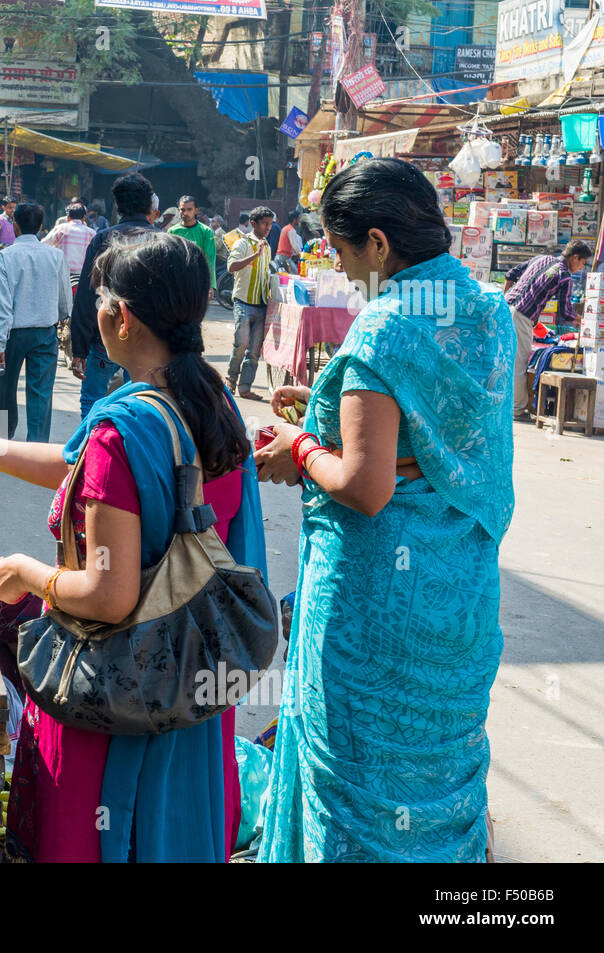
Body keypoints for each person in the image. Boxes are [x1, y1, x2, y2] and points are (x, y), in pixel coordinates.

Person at [0, 232, 267, 861]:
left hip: (120, 704)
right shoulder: (207, 401)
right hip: (190, 691)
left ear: (120, 316)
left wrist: (24, 573)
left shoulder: (125, 430)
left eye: (95, 298)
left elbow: (107, 595)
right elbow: (82, 472)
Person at [253, 157, 514, 862]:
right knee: (436, 770)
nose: (339, 267)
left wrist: (301, 445)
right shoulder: (490, 310)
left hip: (377, 609)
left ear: (376, 241)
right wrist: (325, 411)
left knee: (358, 787)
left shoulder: (385, 329)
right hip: (458, 599)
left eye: (340, 250)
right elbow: (446, 443)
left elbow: (366, 487)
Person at [70, 172, 158, 418]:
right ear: (150, 204)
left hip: (105, 338)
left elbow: (88, 296)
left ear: (117, 206)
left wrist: (79, 347)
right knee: (142, 402)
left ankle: (88, 450)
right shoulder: (163, 241)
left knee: (93, 400)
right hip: (148, 342)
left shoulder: (103, 239)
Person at [0, 203, 70, 442]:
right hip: (45, 333)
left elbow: (2, 306)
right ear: (41, 228)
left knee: (7, 387)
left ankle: (3, 438)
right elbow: (65, 301)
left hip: (14, 333)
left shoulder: (5, 257)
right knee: (41, 392)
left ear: (15, 226)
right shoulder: (56, 256)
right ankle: (37, 443)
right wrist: (61, 318)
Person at [503, 240, 590, 420]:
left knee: (505, 358)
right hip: (521, 316)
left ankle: (504, 404)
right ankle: (517, 409)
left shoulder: (541, 259)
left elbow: (511, 273)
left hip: (504, 309)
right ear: (574, 257)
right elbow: (564, 313)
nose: (581, 268)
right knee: (519, 363)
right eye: (582, 263)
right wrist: (585, 321)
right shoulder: (564, 275)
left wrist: (505, 298)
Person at [225, 206, 274, 400]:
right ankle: (230, 381)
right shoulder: (243, 244)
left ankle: (245, 387)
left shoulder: (267, 246)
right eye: (265, 224)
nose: (268, 228)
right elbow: (231, 267)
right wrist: (254, 255)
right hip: (243, 302)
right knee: (241, 344)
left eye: (270, 224)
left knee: (254, 350)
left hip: (261, 304)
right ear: (253, 224)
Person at [167, 194, 217, 300]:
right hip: (177, 283)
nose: (185, 213)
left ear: (196, 210)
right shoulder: (172, 231)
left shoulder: (205, 231)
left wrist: (210, 285)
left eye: (189, 209)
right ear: (178, 210)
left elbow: (210, 260)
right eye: (182, 209)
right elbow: (168, 259)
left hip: (197, 282)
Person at [41, 202, 95, 288]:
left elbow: (44, 244)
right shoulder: (91, 233)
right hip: (82, 275)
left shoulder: (61, 228)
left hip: (62, 273)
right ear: (84, 218)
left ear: (68, 217)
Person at [275, 208, 304, 273]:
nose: (299, 220)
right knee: (295, 274)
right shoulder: (291, 230)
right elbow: (295, 246)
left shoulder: (285, 228)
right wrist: (302, 255)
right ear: (294, 219)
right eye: (299, 218)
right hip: (285, 258)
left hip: (279, 257)